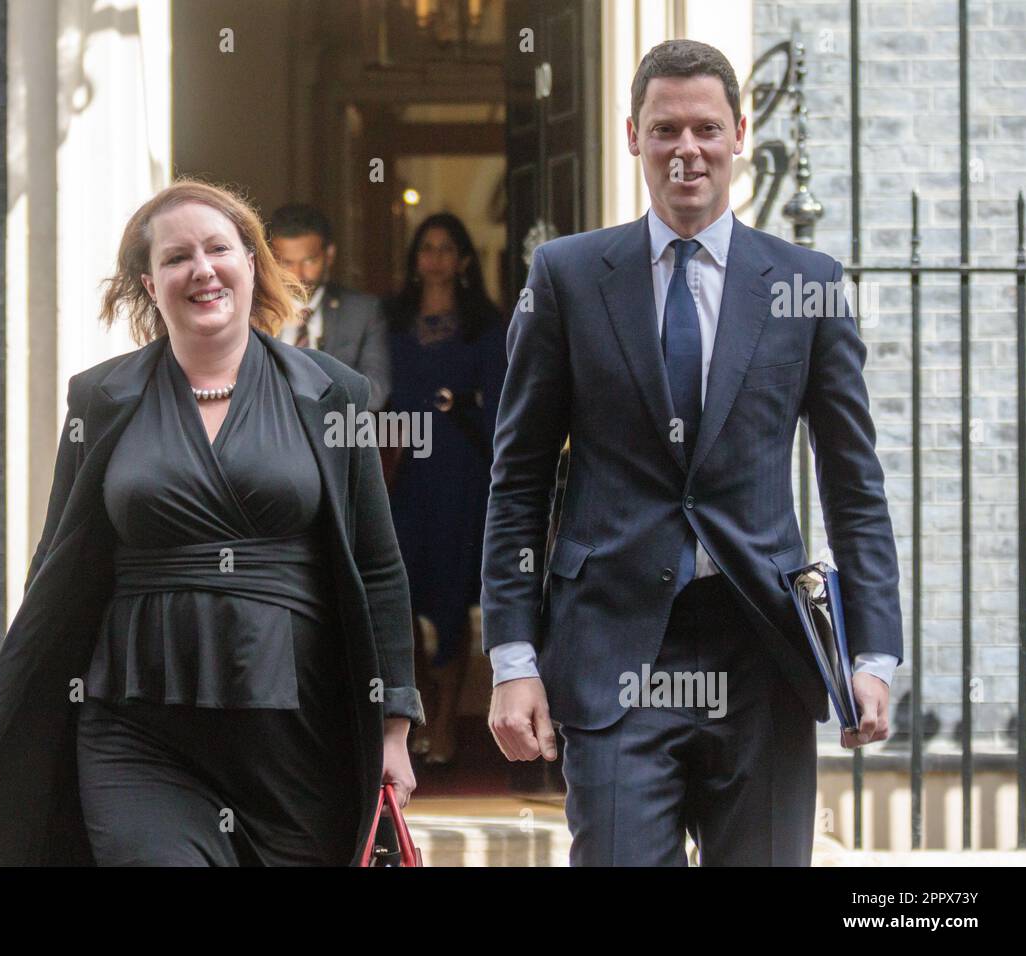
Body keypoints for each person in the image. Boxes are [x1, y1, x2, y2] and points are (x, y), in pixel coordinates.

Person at [482, 39, 903, 865]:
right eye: (665, 129)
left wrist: (874, 652)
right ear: (633, 135)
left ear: (741, 132)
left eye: (706, 129)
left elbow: (853, 483)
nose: (687, 151)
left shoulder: (806, 281)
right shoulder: (566, 276)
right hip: (613, 655)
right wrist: (511, 656)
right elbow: (518, 481)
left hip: (763, 654)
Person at [0, 178, 422, 866]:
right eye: (176, 257)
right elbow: (59, 561)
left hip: (299, 735)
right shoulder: (102, 397)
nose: (202, 269)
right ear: (150, 285)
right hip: (136, 727)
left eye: (220, 249)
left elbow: (377, 564)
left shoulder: (333, 391)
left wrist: (394, 723)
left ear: (252, 262)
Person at [385, 212, 506, 766]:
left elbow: (503, 405)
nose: (434, 258)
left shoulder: (485, 324)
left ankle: (452, 715)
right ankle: (421, 704)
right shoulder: (391, 320)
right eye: (425, 248)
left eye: (445, 248)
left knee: (454, 591)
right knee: (399, 589)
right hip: (402, 471)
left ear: (462, 260)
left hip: (459, 471)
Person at [268, 203, 391, 411]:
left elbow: (376, 393)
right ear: (271, 259)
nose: (298, 275)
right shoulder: (250, 311)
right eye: (287, 263)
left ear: (329, 255)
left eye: (309, 261)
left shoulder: (362, 311)